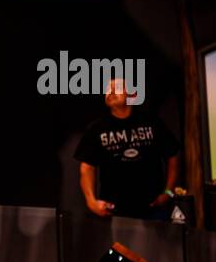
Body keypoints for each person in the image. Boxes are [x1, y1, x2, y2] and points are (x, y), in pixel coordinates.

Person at [74, 78, 180, 220]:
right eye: (107, 89)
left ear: (132, 95)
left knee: (155, 243)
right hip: (114, 212)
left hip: (153, 209)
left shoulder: (152, 122)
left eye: (116, 88)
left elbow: (172, 156)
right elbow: (86, 168)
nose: (110, 92)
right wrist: (91, 202)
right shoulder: (96, 129)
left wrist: (168, 193)